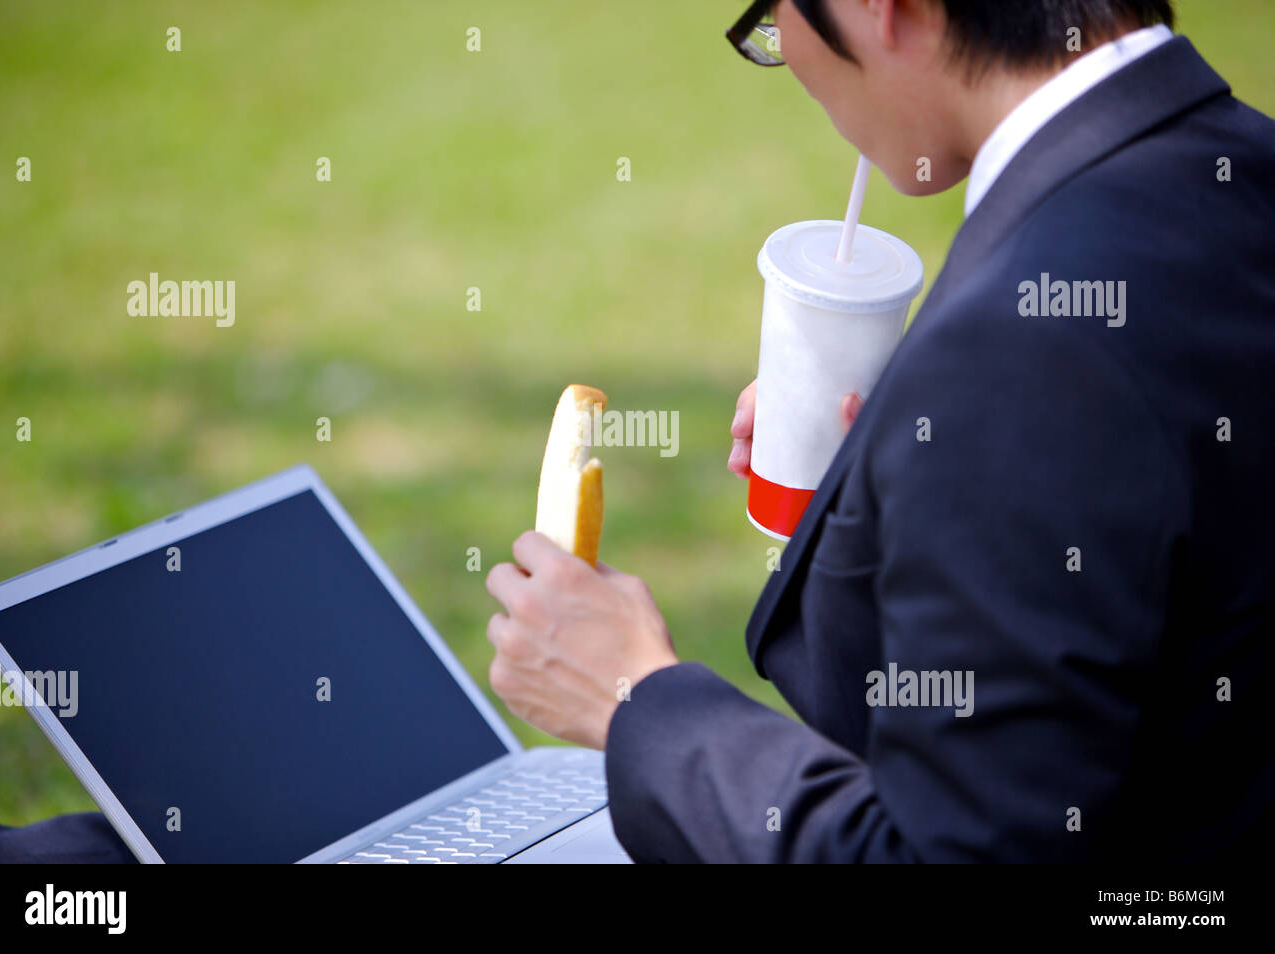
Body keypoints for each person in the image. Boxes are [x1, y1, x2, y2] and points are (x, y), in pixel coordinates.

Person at [484, 0, 1275, 861]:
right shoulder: (1241, 168)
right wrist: (896, 481)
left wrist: (638, 700)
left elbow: (940, 850)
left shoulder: (1019, 346)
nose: (784, 54)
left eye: (770, 16)